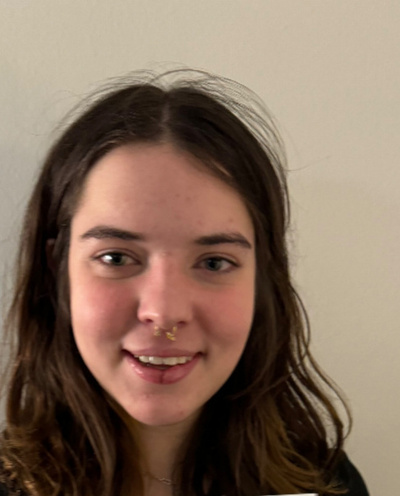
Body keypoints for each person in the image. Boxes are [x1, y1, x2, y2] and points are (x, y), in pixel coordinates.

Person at [0, 70, 369, 496]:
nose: (164, 313)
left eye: (214, 262)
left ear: (261, 278)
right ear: (56, 269)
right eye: (116, 257)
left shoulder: (328, 483)